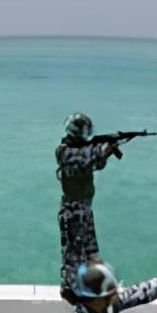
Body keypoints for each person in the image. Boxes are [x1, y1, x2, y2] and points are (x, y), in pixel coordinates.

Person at [56, 113, 119, 302]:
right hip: (72, 211)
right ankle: (70, 289)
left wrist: (108, 150)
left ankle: (86, 285)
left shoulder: (84, 151)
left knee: (90, 251)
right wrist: (102, 149)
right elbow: (85, 158)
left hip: (84, 209)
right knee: (73, 253)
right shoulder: (64, 151)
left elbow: (97, 163)